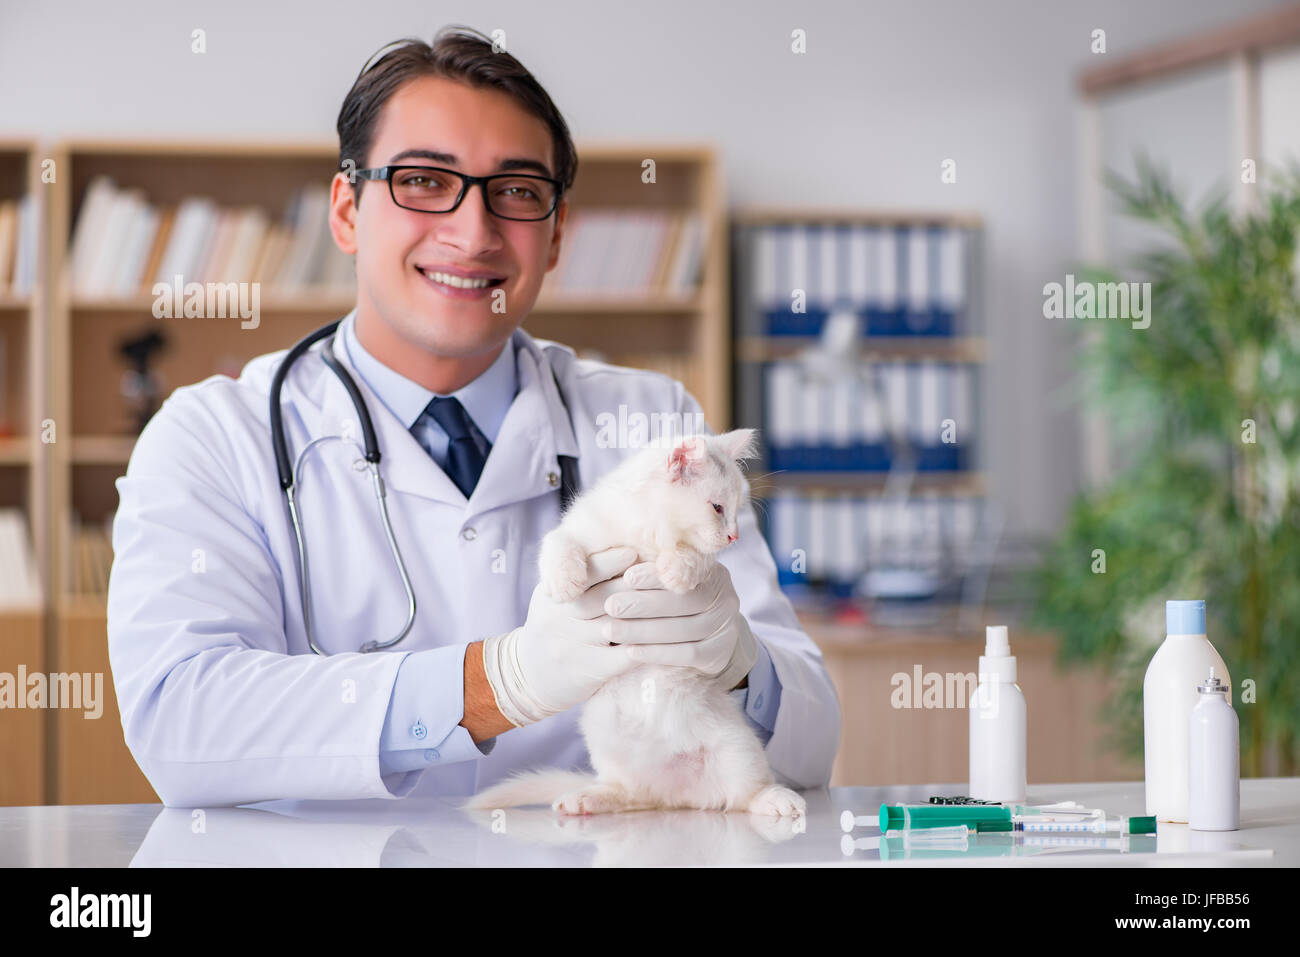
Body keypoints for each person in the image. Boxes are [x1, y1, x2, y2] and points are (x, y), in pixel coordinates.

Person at [106, 25, 840, 807]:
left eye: (518, 191)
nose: (473, 231)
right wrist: (494, 684)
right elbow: (178, 720)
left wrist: (738, 662)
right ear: (348, 210)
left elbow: (813, 740)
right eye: (425, 179)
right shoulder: (211, 438)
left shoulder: (653, 424)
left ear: (556, 235)